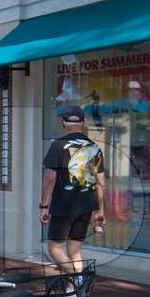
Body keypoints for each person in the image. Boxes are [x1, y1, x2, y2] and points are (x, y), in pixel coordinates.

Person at [40, 105, 106, 278]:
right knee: (75, 251)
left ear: (63, 124)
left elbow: (50, 178)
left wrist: (43, 205)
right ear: (83, 124)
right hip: (86, 205)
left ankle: (76, 279)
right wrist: (100, 210)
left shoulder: (58, 145)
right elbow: (101, 182)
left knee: (54, 248)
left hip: (64, 204)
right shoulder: (94, 147)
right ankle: (76, 292)